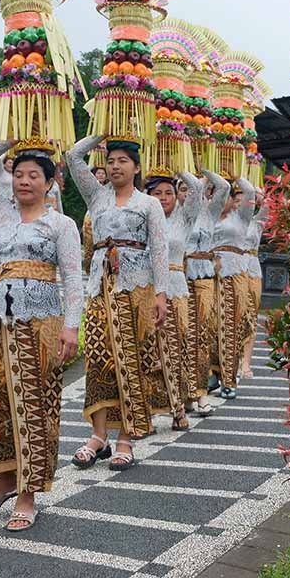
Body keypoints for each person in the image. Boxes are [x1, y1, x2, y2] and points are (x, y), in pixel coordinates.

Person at [0, 140, 83, 530]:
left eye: (34, 175)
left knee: (33, 406)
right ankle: (4, 480)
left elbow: (73, 278)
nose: (24, 181)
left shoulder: (61, 225)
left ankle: (28, 494)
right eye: (18, 173)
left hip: (41, 324)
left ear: (51, 183)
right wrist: (10, 136)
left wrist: (71, 325)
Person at [66, 135, 170, 470]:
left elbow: (159, 250)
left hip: (137, 290)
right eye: (111, 160)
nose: (115, 166)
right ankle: (99, 437)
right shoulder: (97, 196)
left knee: (132, 359)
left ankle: (125, 437)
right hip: (99, 288)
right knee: (98, 359)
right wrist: (102, 131)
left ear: (137, 167)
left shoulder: (148, 204)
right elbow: (72, 156)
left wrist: (161, 294)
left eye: (123, 160)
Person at [147, 170, 206, 431]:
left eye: (168, 192)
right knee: (147, 352)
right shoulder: (142, 217)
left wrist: (178, 164)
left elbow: (195, 188)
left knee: (176, 349)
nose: (163, 198)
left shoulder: (184, 218)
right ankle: (145, 411)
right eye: (156, 193)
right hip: (146, 289)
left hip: (175, 288)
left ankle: (178, 408)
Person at [184, 169, 229, 415]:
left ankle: (200, 393)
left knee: (202, 336)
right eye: (181, 188)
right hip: (180, 277)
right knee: (181, 337)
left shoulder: (210, 213)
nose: (188, 192)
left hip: (204, 279)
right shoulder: (180, 214)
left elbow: (223, 186)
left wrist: (201, 166)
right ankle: (184, 394)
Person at [212, 177, 256, 399]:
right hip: (208, 276)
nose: (219, 200)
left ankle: (228, 380)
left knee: (230, 328)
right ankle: (212, 373)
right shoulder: (207, 216)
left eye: (225, 196)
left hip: (233, 275)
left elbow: (249, 191)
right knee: (209, 327)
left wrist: (236, 174)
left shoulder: (241, 217)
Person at [239, 179, 268, 376]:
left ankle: (246, 361)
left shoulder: (257, 222)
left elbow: (269, 205)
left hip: (252, 267)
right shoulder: (223, 220)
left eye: (247, 201)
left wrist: (257, 191)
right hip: (230, 269)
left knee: (250, 315)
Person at [81, 165, 106, 275]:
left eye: (103, 173)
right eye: (98, 173)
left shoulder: (110, 188)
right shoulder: (90, 187)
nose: (101, 175)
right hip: (91, 216)